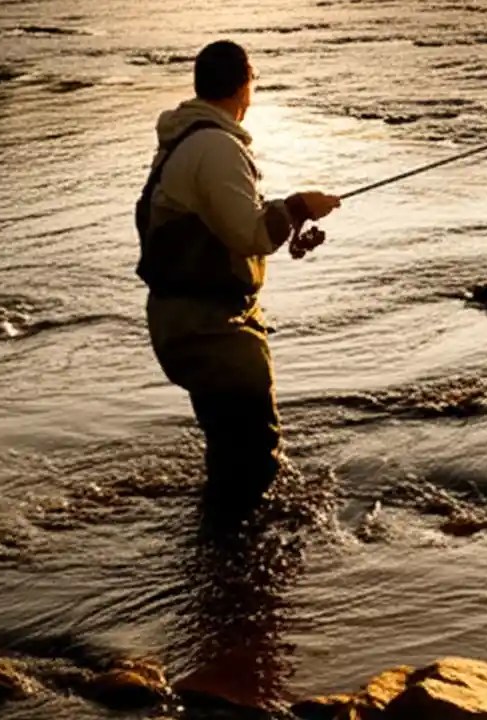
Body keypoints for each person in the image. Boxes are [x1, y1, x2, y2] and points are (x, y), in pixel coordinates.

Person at [135, 39, 340, 511]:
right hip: (212, 330)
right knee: (253, 462)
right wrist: (296, 206)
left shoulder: (190, 140)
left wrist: (292, 217)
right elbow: (249, 234)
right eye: (254, 79)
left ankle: (219, 566)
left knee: (230, 454)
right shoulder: (215, 146)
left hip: (192, 322)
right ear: (243, 82)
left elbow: (227, 227)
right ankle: (237, 565)